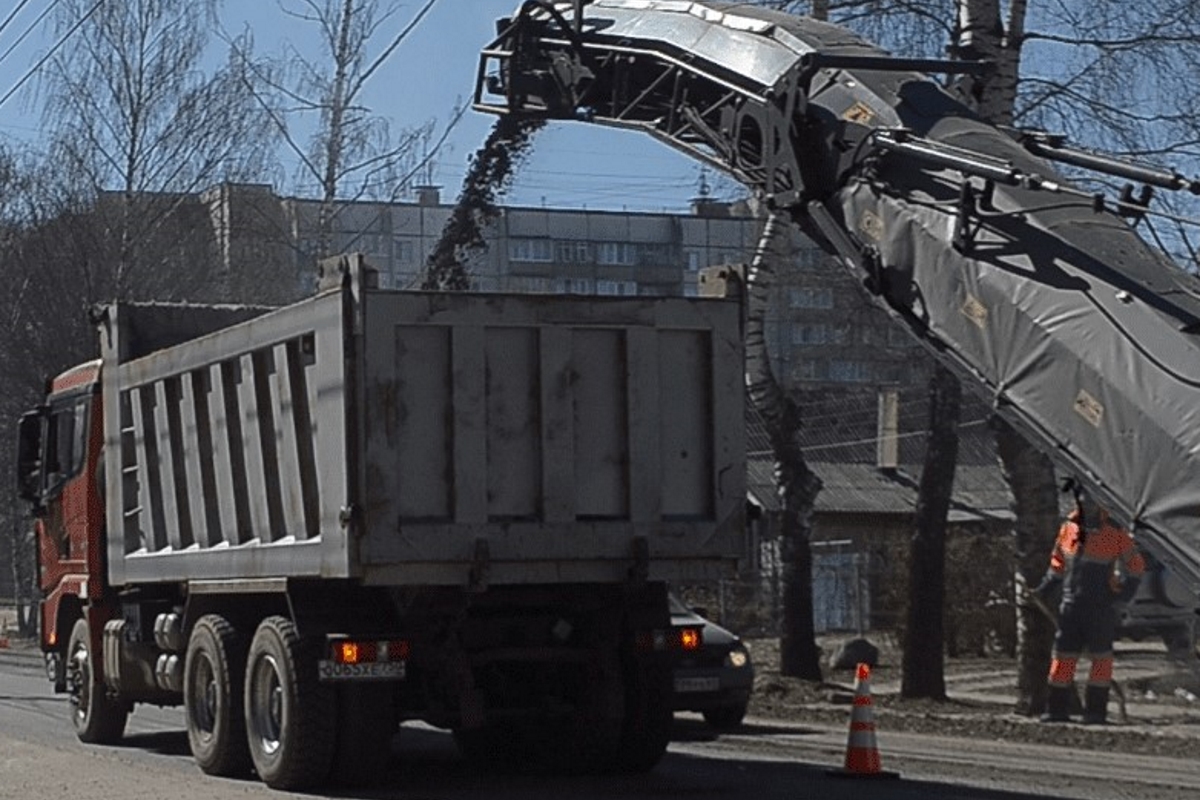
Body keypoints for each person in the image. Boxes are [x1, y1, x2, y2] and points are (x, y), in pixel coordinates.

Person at [1034, 489, 1145, 724]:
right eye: (1084, 498)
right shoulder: (1068, 529)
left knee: (1101, 661)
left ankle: (1095, 712)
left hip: (1101, 609)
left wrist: (1121, 599)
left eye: (1093, 500)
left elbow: (1136, 568)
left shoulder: (1115, 533)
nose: (1088, 503)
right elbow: (1057, 566)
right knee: (1063, 658)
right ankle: (1056, 710)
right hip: (1071, 607)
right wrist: (1042, 590)